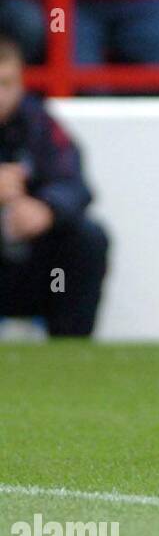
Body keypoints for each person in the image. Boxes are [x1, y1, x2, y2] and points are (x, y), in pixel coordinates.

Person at [0, 39, 108, 337]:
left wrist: (46, 208)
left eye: (7, 84)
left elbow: (75, 185)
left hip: (31, 270)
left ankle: (69, 345)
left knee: (87, 238)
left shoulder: (38, 123)